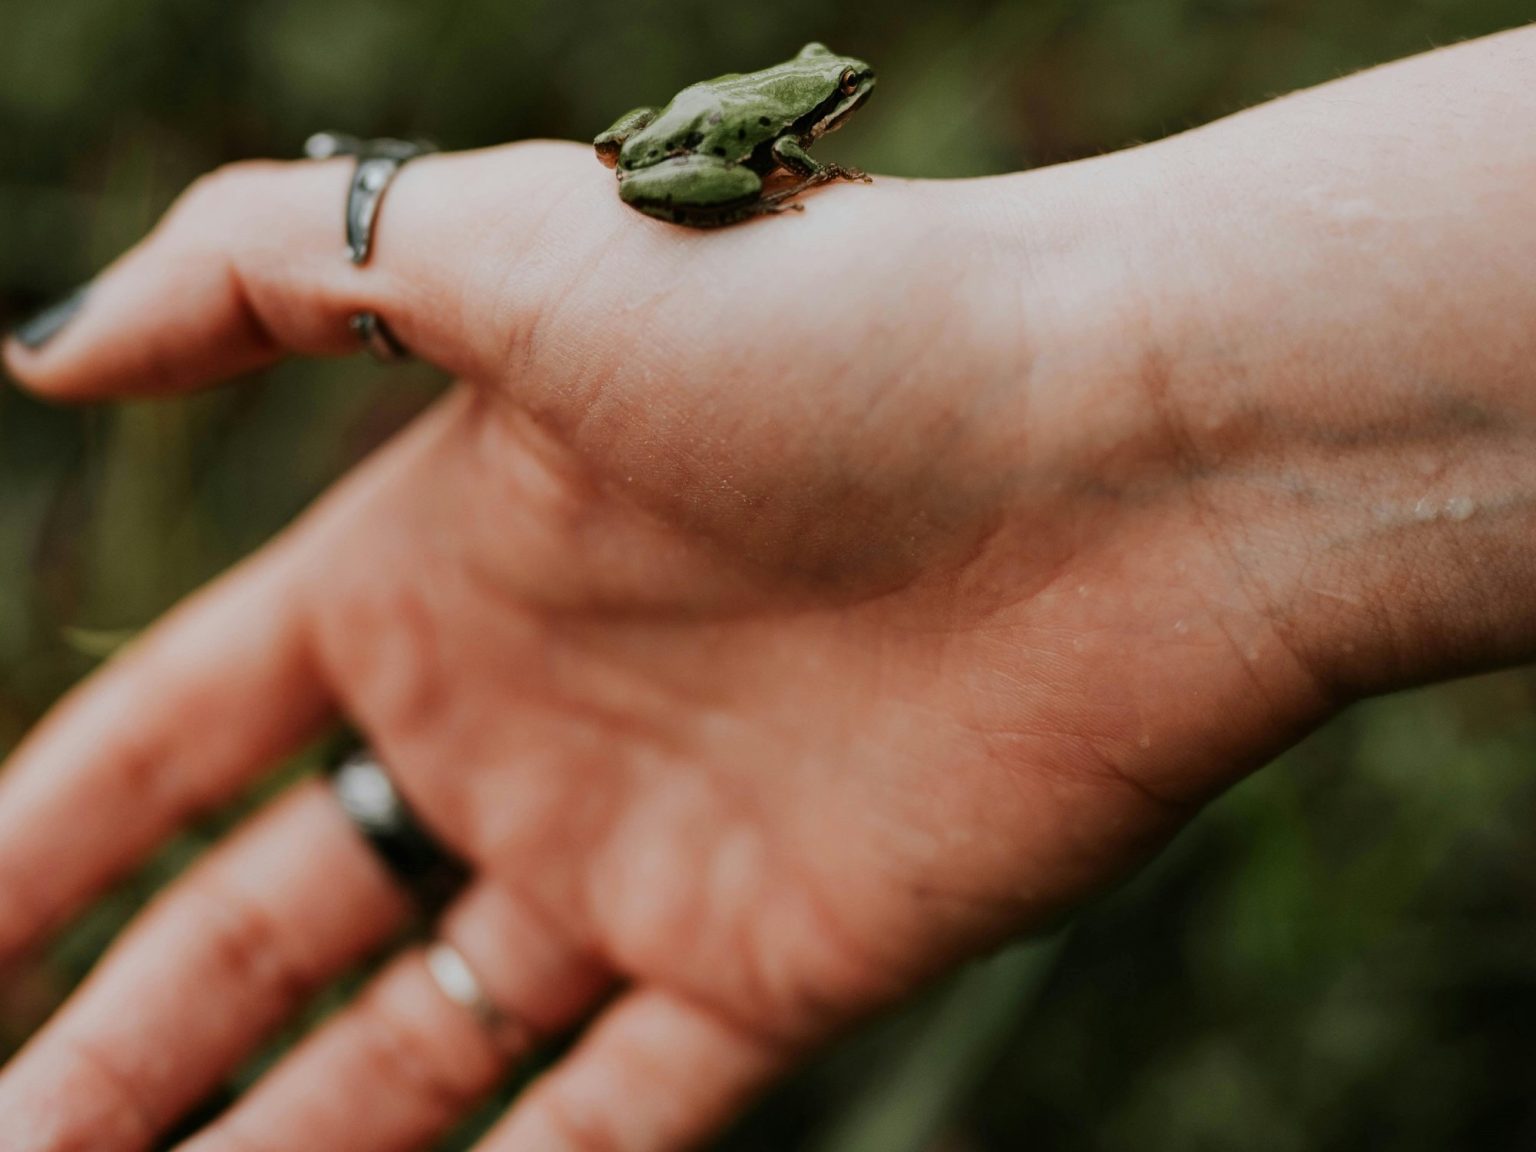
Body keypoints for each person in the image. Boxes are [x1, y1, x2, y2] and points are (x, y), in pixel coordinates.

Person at [2, 22, 1534, 1152]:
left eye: (834, 94)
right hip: (700, 161)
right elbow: (736, 150)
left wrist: (1101, 403)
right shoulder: (797, 134)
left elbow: (673, 140)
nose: (841, 96)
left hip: (670, 142)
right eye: (837, 95)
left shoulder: (794, 131)